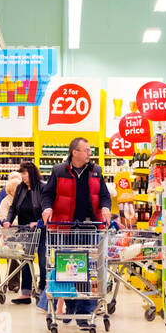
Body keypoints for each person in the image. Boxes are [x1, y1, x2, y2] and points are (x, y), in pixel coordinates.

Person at [40, 137, 113, 320]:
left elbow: (104, 195)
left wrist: (105, 207)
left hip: (90, 227)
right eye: (86, 150)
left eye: (90, 150)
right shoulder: (59, 171)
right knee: (68, 268)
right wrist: (47, 208)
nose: (90, 153)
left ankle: (83, 312)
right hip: (66, 228)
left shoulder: (96, 171)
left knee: (89, 269)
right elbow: (47, 194)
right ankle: (69, 306)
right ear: (75, 152)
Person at [6, 160, 45, 304]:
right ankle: (26, 293)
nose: (22, 176)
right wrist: (8, 220)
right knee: (26, 261)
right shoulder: (20, 188)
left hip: (41, 230)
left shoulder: (42, 187)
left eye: (25, 173)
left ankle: (42, 291)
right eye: (21, 173)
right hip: (25, 229)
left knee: (43, 261)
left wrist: (39, 221)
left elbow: (48, 208)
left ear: (32, 173)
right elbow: (13, 207)